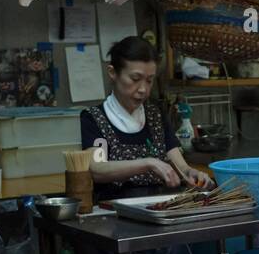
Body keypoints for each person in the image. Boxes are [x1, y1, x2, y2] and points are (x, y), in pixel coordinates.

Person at [79, 36, 210, 199]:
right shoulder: (95, 118)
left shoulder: (155, 115)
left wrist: (191, 173)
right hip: (113, 212)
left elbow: (180, 165)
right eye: (135, 79)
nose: (143, 89)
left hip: (160, 207)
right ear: (112, 73)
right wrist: (148, 163)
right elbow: (97, 169)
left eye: (149, 81)